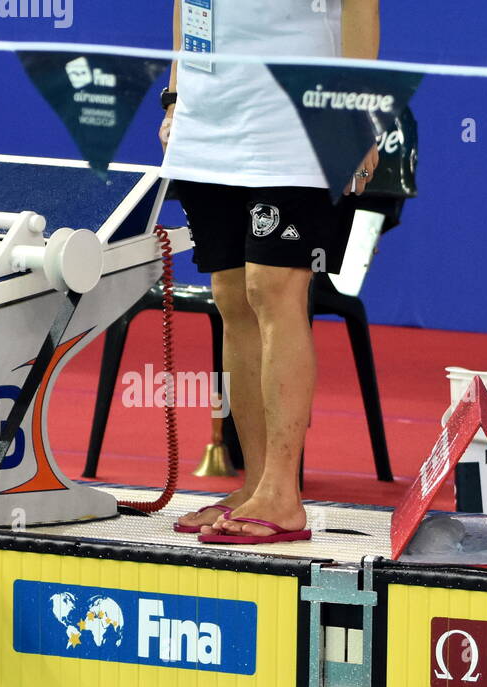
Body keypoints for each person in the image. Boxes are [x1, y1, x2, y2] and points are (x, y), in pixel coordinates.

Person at [159, 0, 382, 545]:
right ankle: (254, 484)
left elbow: (359, 5)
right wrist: (175, 95)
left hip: (297, 119)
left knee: (273, 288)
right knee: (231, 296)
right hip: (207, 121)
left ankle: (283, 492)